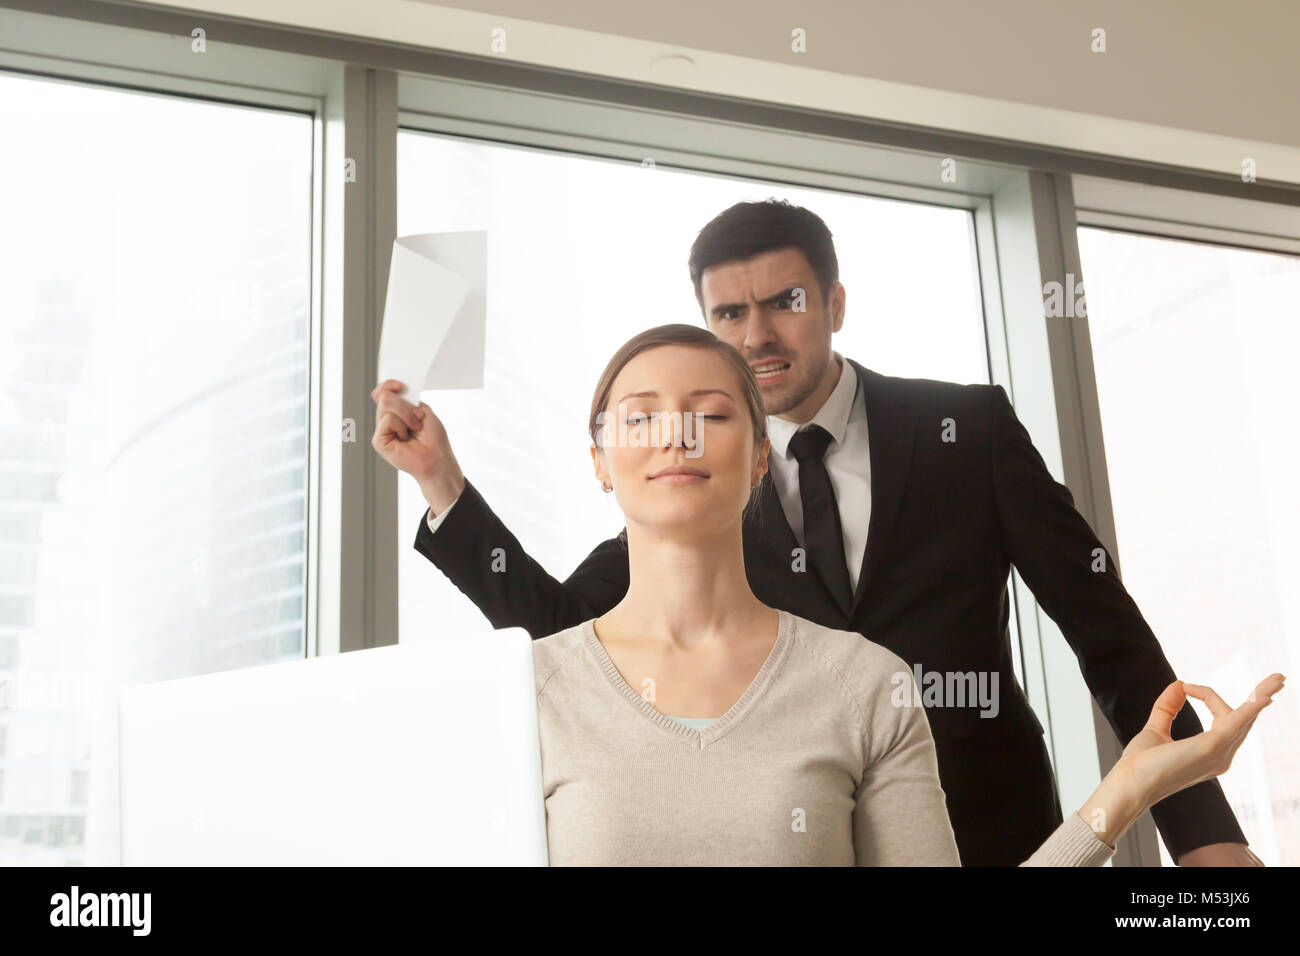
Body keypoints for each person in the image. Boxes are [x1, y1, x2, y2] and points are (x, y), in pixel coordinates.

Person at [373, 200, 1256, 866]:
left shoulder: (966, 432)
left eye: (784, 302)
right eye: (729, 314)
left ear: (833, 300)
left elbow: (1102, 626)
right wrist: (442, 484)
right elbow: (562, 629)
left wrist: (1202, 834)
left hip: (994, 833)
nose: (757, 333)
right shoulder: (696, 486)